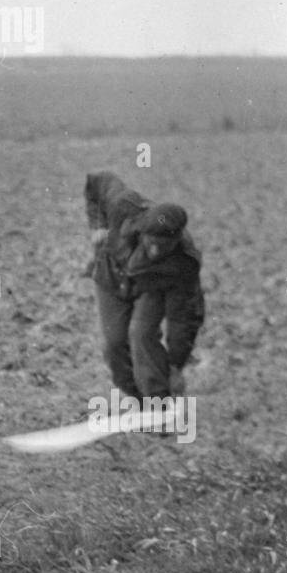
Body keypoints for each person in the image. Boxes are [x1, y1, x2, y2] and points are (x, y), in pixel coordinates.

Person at [85, 171, 204, 402]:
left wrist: (176, 366)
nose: (155, 252)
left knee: (142, 335)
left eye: (163, 247)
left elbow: (183, 318)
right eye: (151, 244)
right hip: (111, 278)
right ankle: (136, 399)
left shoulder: (184, 262)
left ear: (176, 239)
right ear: (142, 232)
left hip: (150, 288)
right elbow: (96, 181)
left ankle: (159, 402)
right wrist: (97, 225)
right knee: (114, 344)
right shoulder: (124, 206)